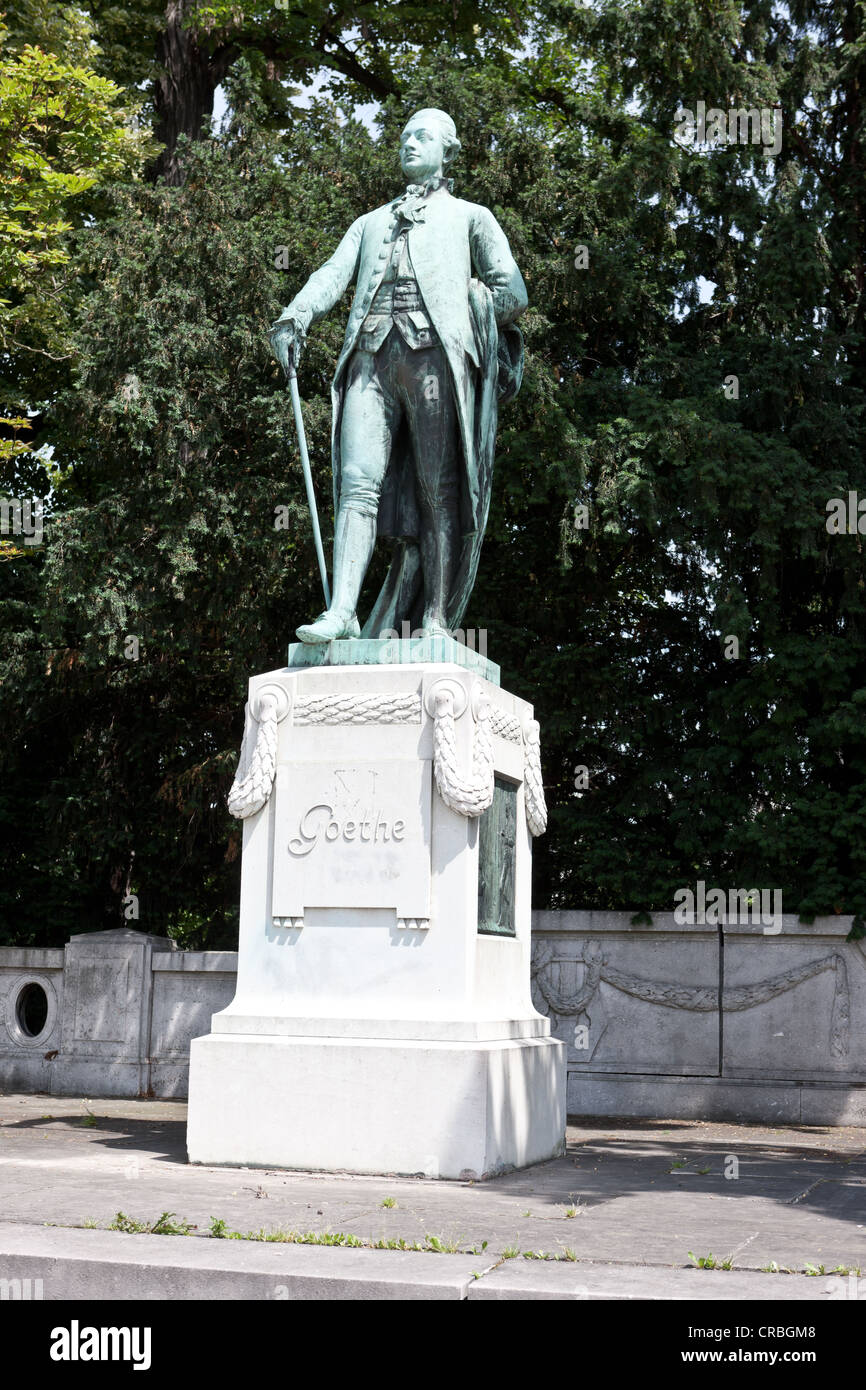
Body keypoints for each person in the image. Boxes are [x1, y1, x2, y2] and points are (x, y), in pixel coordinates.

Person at [269, 107, 527, 644]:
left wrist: (476, 304)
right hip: (369, 359)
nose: (409, 142)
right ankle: (342, 612)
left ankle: (434, 618)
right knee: (357, 484)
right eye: (405, 134)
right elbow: (333, 274)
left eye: (423, 136)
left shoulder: (472, 217)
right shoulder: (369, 222)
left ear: (448, 150)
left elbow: (513, 293)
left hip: (434, 359)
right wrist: (297, 314)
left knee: (439, 488)